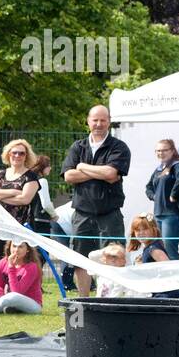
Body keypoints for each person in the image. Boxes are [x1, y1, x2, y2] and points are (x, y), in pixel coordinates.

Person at [61, 105, 131, 297]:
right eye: (95, 120)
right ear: (88, 121)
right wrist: (99, 172)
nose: (99, 124)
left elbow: (111, 173)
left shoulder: (118, 147)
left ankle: (110, 299)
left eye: (103, 120)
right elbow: (68, 176)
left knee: (114, 257)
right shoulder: (78, 146)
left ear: (108, 121)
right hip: (82, 214)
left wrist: (82, 166)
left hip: (110, 213)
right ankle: (84, 300)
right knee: (80, 259)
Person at [0, 138, 41, 276]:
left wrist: (2, 195)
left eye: (21, 153)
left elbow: (25, 199)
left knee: (20, 262)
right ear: (8, 154)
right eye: (14, 153)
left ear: (26, 156)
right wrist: (14, 192)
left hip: (21, 226)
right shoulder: (1, 174)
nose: (17, 156)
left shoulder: (31, 177)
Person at [145, 139, 179, 261]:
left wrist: (173, 194)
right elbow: (148, 187)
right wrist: (155, 197)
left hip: (173, 214)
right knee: (161, 250)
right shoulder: (159, 169)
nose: (161, 153)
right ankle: (167, 278)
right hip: (158, 215)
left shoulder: (177, 165)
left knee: (170, 250)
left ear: (172, 151)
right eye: (158, 150)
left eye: (164, 150)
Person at [127, 212, 179, 299]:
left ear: (154, 230)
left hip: (167, 293)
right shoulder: (149, 248)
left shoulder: (154, 249)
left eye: (145, 229)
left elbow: (168, 267)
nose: (141, 233)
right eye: (137, 230)